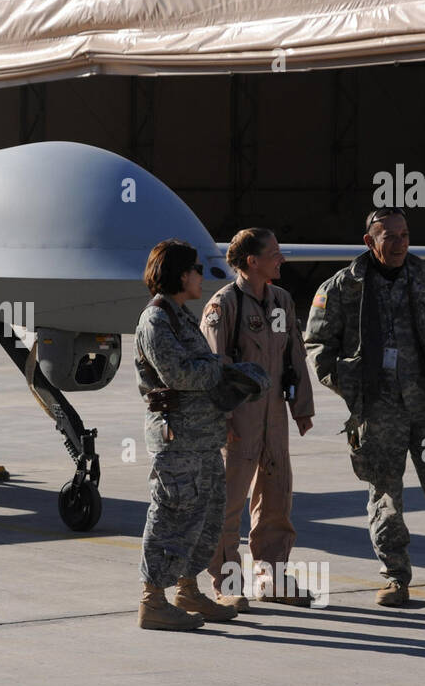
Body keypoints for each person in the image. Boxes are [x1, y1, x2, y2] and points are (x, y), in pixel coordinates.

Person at [303, 208, 425, 609]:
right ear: (370, 241)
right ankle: (395, 577)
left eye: (405, 235)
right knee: (386, 494)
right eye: (391, 236)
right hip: (378, 409)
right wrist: (354, 386)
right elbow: (318, 346)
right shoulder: (341, 288)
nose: (401, 243)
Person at [134, 239, 268, 630]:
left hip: (201, 440)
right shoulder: (156, 321)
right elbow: (180, 374)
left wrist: (223, 371)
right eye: (194, 269)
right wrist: (227, 370)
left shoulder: (180, 316)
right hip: (177, 442)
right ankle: (152, 600)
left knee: (205, 518)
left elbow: (197, 368)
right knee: (170, 517)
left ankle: (187, 589)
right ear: (178, 274)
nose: (200, 276)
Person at [200, 228, 315, 607]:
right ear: (253, 261)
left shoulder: (281, 300)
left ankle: (273, 578)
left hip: (274, 416)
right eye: (275, 253)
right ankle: (227, 583)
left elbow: (293, 354)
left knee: (276, 497)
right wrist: (224, 419)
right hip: (239, 417)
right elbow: (215, 366)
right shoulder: (224, 304)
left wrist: (302, 408)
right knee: (228, 502)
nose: (281, 259)